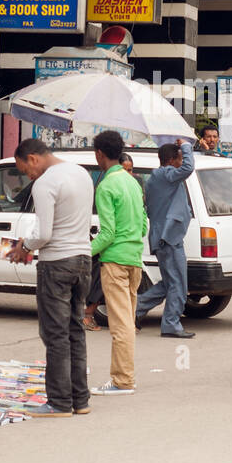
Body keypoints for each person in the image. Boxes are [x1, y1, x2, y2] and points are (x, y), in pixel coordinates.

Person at [9, 139, 95, 415]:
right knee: (75, 330)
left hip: (56, 264)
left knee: (55, 334)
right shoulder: (81, 173)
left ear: (33, 158)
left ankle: (59, 402)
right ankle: (80, 400)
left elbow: (44, 234)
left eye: (25, 170)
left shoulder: (45, 183)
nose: (28, 176)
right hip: (83, 260)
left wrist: (23, 246)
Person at [87, 131, 146, 398]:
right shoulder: (132, 182)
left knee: (120, 325)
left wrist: (84, 252)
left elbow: (107, 234)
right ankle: (125, 376)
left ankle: (122, 381)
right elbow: (144, 224)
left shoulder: (106, 186)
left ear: (99, 154)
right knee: (127, 323)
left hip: (115, 262)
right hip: (135, 259)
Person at [135, 138, 196, 338]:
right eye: (179, 159)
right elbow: (188, 168)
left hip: (166, 237)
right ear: (171, 160)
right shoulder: (166, 174)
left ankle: (134, 308)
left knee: (170, 283)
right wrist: (186, 146)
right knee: (178, 283)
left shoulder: (158, 177)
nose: (181, 162)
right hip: (168, 238)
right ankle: (171, 323)